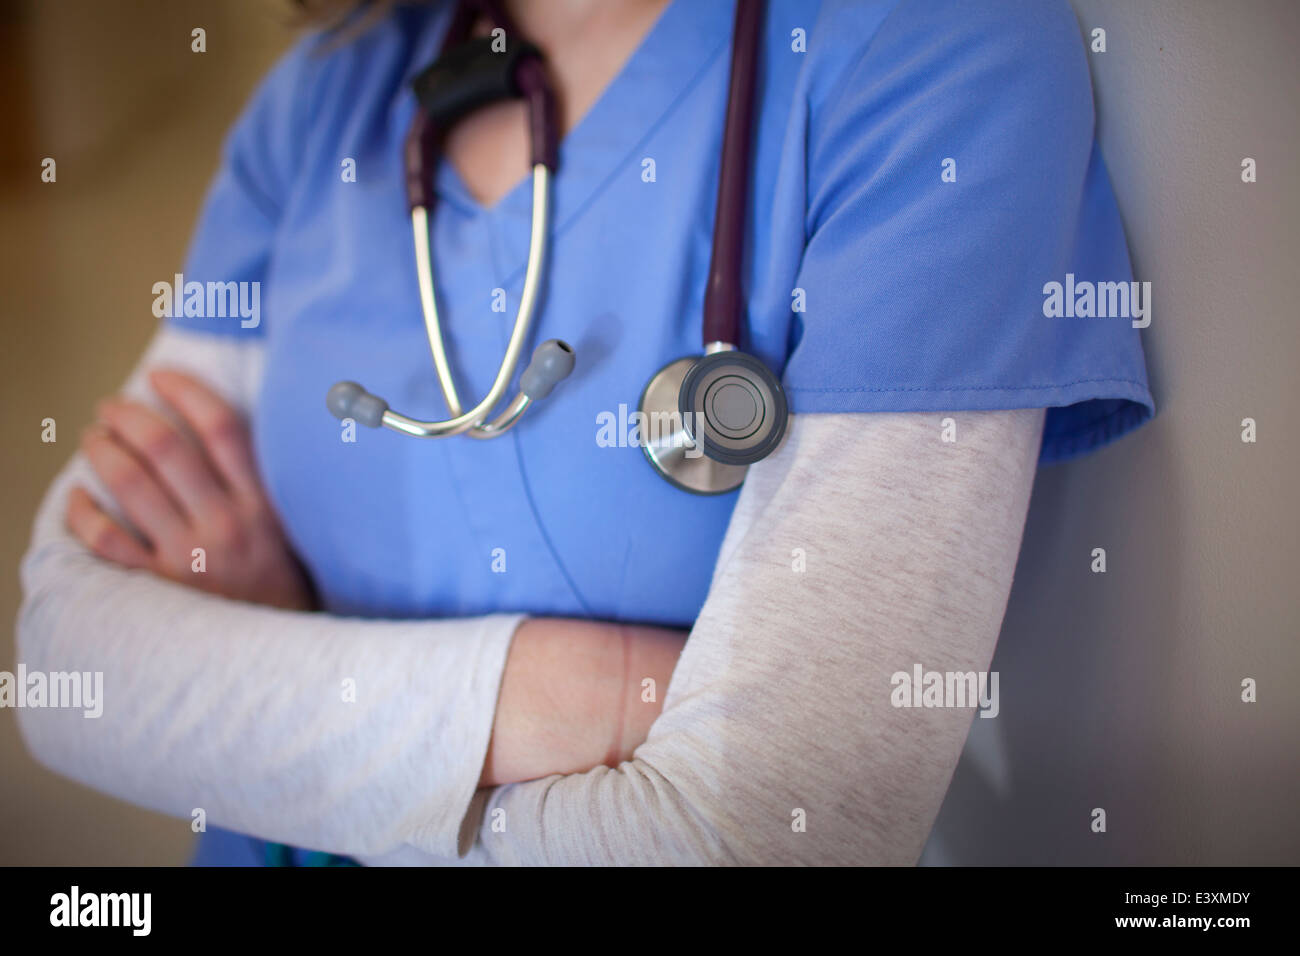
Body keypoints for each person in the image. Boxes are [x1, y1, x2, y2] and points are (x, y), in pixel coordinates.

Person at [16, 0, 1153, 865]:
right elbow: (68, 663)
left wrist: (262, 689)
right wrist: (602, 694)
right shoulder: (324, 100)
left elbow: (762, 833)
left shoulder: (930, 52)